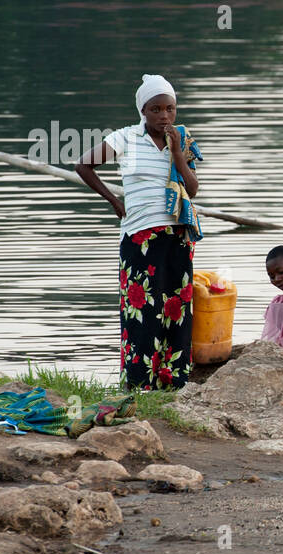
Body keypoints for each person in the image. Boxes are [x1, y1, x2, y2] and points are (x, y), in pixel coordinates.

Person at [75, 74, 201, 391]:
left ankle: (174, 382)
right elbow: (83, 165)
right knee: (142, 311)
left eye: (170, 109)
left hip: (177, 236)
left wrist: (175, 154)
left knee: (177, 309)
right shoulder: (126, 138)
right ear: (142, 110)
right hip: (140, 238)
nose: (164, 116)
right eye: (156, 109)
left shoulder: (182, 140)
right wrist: (113, 199)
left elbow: (193, 190)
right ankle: (137, 383)